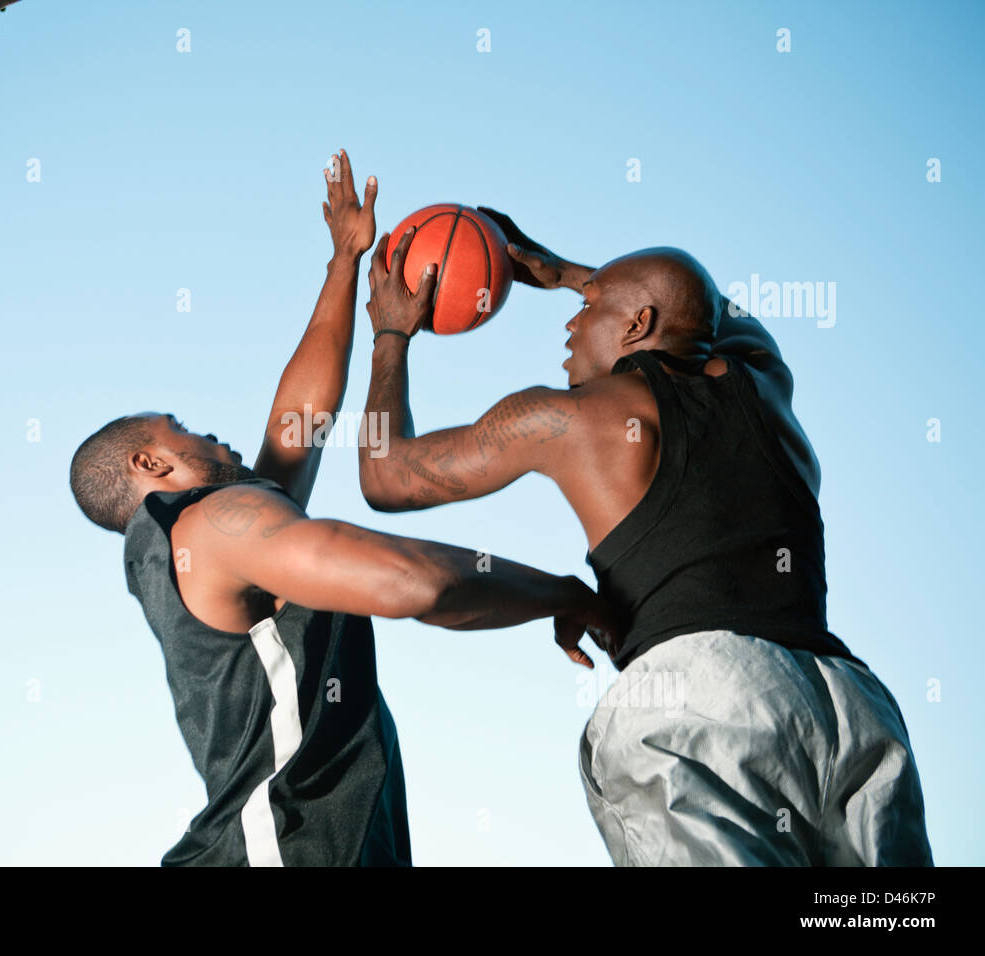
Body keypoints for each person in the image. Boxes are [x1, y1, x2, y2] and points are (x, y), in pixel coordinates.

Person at [69, 155, 616, 867]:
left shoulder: (194, 543)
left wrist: (347, 259)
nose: (213, 435)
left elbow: (300, 420)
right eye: (186, 429)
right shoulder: (211, 525)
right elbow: (412, 582)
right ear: (149, 464)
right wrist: (570, 593)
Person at [357, 213, 933, 866]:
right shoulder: (767, 387)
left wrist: (390, 334)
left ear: (636, 325)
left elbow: (386, 473)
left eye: (591, 305)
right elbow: (712, 309)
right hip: (852, 707)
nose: (572, 319)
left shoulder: (573, 416)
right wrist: (572, 274)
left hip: (705, 700)